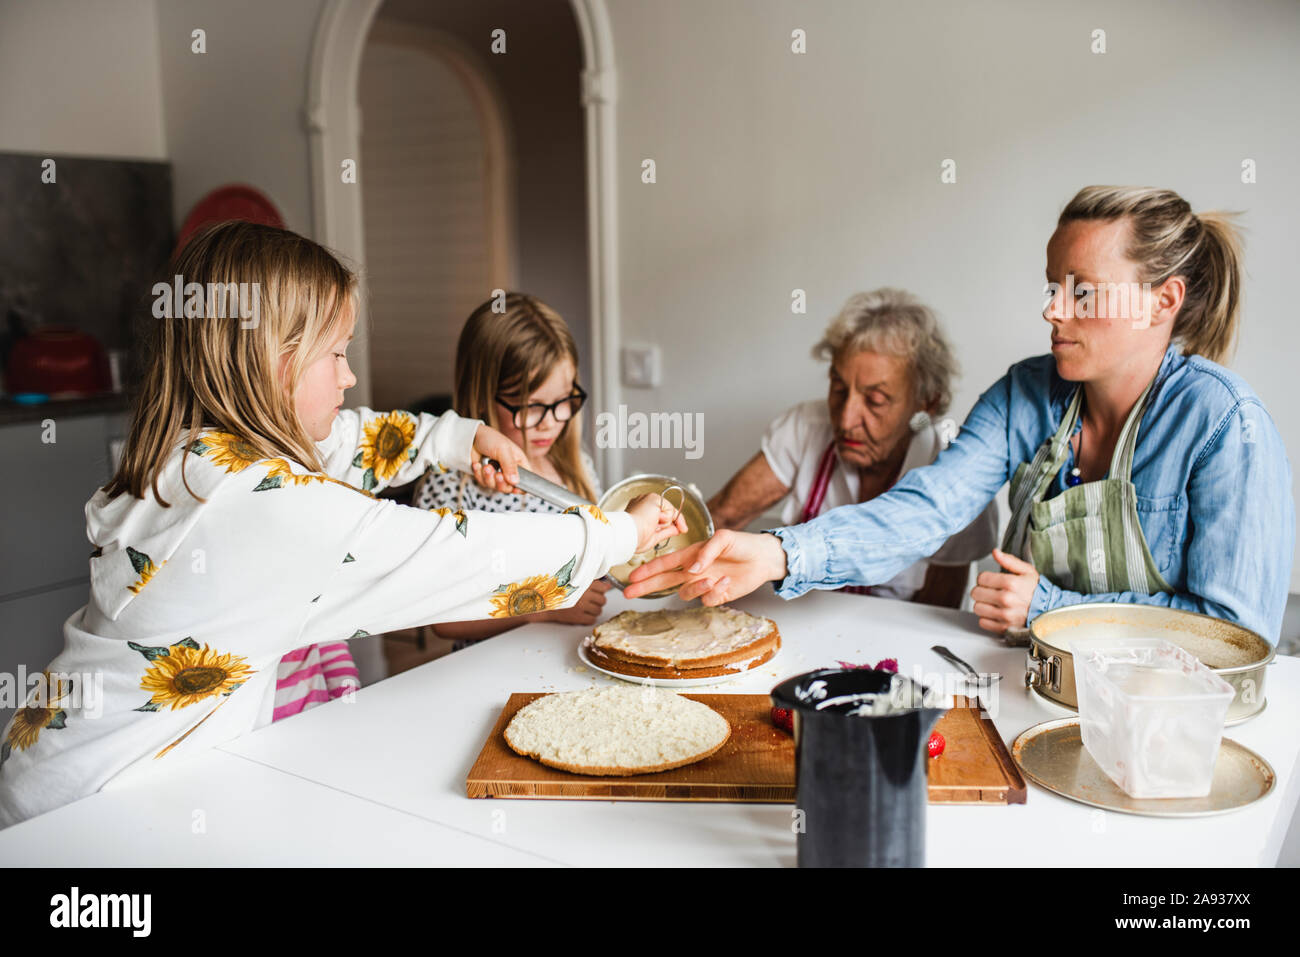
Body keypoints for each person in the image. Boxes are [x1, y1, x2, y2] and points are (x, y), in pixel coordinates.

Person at [0, 221, 684, 828]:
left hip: (55, 773)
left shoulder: (206, 453)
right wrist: (616, 534)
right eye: (336, 354)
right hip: (81, 815)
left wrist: (454, 437)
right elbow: (451, 555)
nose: (351, 376)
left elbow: (342, 441)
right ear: (276, 361)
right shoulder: (259, 510)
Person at [627, 186, 1294, 645]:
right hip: (1038, 684)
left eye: (1082, 291)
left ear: (1162, 302)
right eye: (1052, 286)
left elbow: (1233, 635)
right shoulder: (1024, 395)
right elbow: (925, 510)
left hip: (1166, 729)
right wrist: (778, 552)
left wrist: (1054, 611)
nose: (1052, 310)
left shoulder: (1224, 426)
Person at [707, 288, 997, 608]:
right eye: (839, 388)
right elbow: (723, 517)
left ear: (926, 403)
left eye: (875, 400)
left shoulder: (955, 471)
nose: (845, 420)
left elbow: (936, 616)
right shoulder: (805, 429)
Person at [413, 293, 612, 649]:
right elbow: (441, 621)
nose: (550, 424)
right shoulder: (451, 488)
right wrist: (544, 608)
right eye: (531, 407)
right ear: (484, 393)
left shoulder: (574, 464)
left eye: (564, 401)